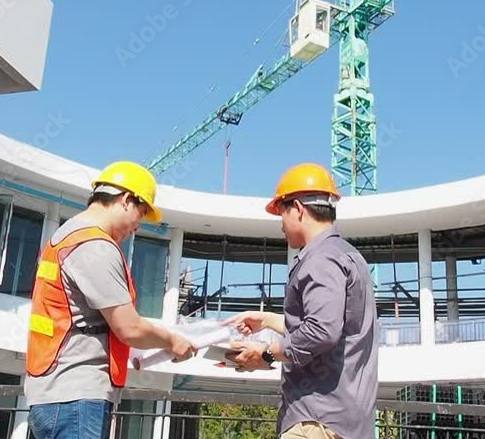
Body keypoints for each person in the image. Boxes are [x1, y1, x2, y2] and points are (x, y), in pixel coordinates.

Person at [24, 161, 197, 439]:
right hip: (76, 395)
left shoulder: (66, 235)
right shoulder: (94, 246)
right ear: (127, 200)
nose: (137, 227)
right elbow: (129, 328)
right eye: (140, 214)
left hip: (54, 393)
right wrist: (172, 341)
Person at [224, 163, 379, 439]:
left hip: (315, 421)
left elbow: (321, 331)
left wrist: (265, 354)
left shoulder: (319, 259)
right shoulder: (348, 256)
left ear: (297, 208)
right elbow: (332, 325)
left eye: (281, 213)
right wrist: (268, 321)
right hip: (345, 420)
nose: (281, 225)